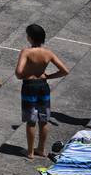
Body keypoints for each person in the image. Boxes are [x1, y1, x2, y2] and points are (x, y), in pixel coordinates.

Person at [14, 24, 69, 161]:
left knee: (31, 120)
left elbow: (19, 73)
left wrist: (28, 74)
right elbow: (64, 70)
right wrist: (48, 76)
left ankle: (30, 151)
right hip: (43, 86)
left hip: (29, 87)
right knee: (44, 119)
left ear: (30, 38)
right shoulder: (48, 53)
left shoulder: (26, 52)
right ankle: (42, 149)